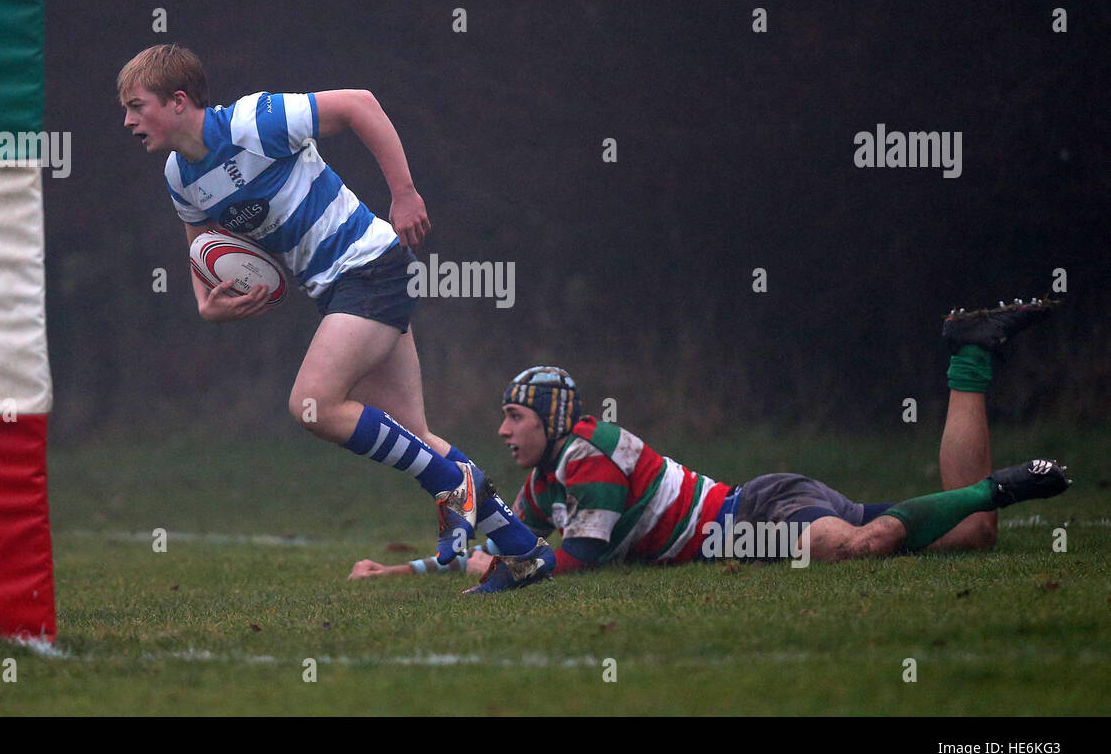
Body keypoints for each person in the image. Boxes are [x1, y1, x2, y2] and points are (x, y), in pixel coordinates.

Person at [117, 44, 545, 564]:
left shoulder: (255, 120)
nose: (128, 120)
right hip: (336, 290)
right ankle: (525, 553)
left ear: (179, 101)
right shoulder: (179, 177)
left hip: (370, 266)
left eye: (137, 105)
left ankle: (454, 485)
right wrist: (207, 303)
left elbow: (359, 104)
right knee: (416, 434)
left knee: (311, 405)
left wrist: (404, 192)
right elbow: (201, 246)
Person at [348, 298, 1070, 593]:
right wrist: (398, 571)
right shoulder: (547, 482)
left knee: (861, 549)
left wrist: (496, 572)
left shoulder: (588, 454)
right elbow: (509, 543)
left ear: (549, 420)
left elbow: (578, 558)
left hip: (758, 519)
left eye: (513, 417)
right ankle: (970, 358)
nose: (502, 431)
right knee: (973, 536)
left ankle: (1005, 482)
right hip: (756, 520)